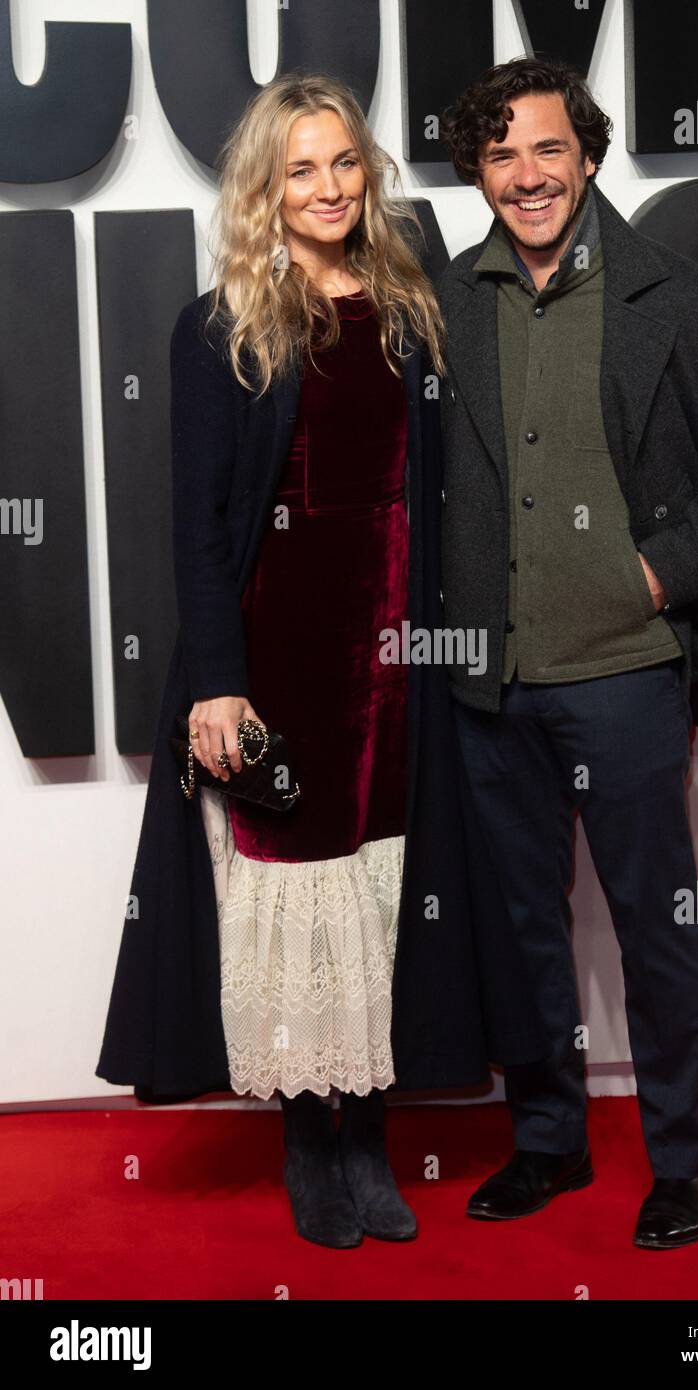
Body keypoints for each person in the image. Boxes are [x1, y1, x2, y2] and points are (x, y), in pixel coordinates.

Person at [96, 71, 490, 1251]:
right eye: (300, 168)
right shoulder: (222, 323)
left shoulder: (411, 305)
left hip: (398, 661)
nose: (327, 187)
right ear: (266, 186)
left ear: (367, 173)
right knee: (295, 895)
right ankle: (309, 1147)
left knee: (379, 902)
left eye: (344, 162)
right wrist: (217, 680)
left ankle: (367, 1135)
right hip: (282, 663)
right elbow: (200, 526)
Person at [435, 57, 698, 1249]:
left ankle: (683, 1164)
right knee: (523, 929)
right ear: (476, 172)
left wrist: (654, 574)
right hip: (495, 684)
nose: (527, 175)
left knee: (654, 926)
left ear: (585, 154)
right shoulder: (445, 305)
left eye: (547, 148)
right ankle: (545, 1143)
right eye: (501, 155)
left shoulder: (672, 294)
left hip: (629, 675)